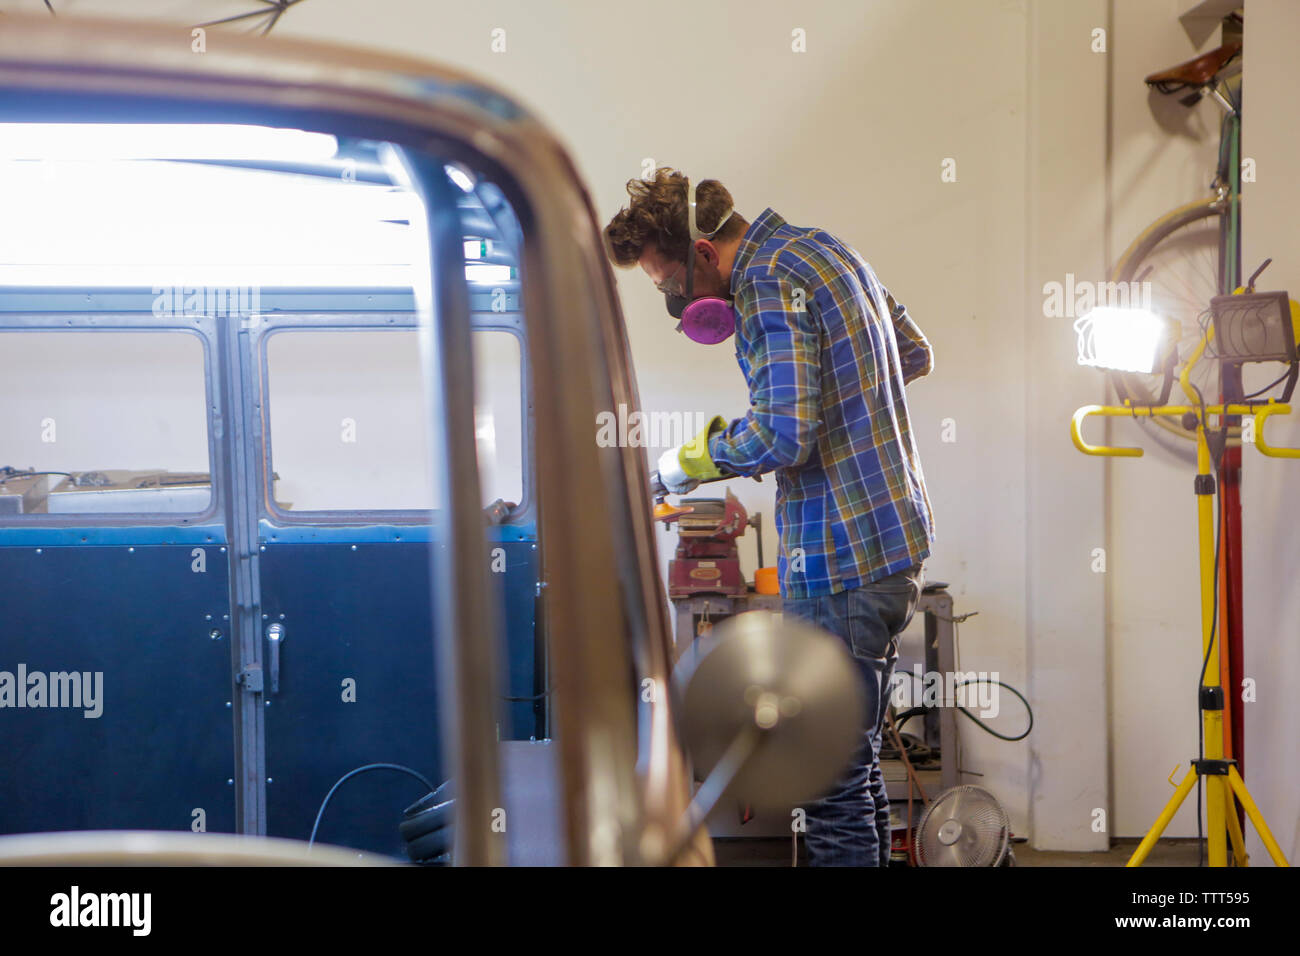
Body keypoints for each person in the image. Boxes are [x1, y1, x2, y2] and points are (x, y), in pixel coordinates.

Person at [603, 167, 935, 867]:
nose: (676, 306)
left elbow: (784, 435)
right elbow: (914, 353)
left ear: (701, 253)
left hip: (837, 556)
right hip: (894, 540)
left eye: (670, 289)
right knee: (856, 766)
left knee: (829, 785)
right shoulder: (826, 249)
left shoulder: (759, 284)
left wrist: (681, 465)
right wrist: (847, 403)